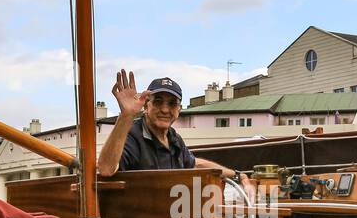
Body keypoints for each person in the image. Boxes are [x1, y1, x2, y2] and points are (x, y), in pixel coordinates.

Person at [96, 70, 245, 184]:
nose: (165, 110)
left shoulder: (174, 138)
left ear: (179, 110)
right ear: (146, 106)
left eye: (172, 103)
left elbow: (194, 164)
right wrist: (126, 115)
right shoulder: (132, 136)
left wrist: (237, 175)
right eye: (158, 101)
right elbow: (106, 169)